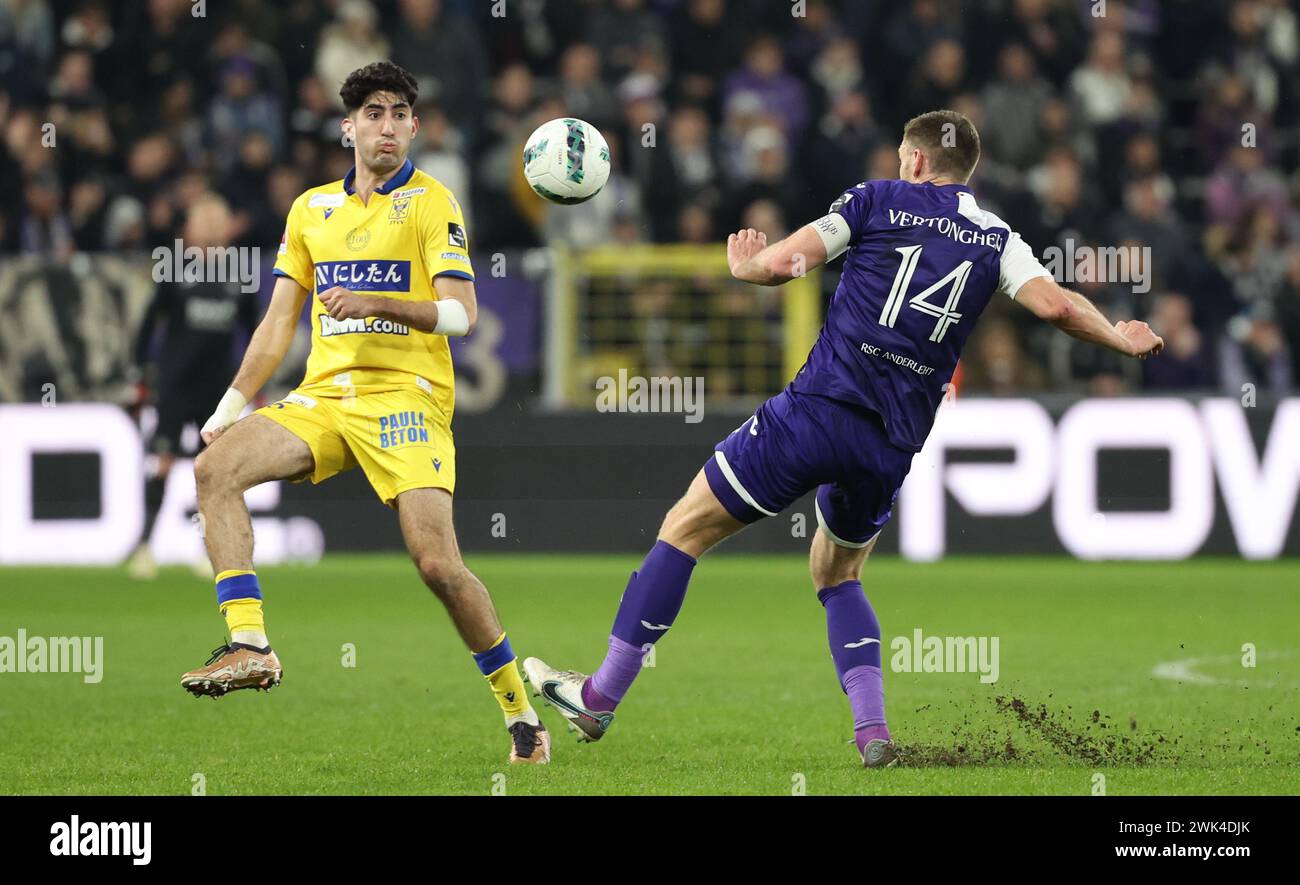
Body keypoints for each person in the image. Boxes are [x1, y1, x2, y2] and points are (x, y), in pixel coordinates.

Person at [523, 110, 1162, 768]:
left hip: (816, 413)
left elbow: (785, 263)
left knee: (685, 528)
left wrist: (748, 265)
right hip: (889, 445)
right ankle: (872, 732)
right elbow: (1056, 306)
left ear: (913, 161)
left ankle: (600, 696)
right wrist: (1118, 335)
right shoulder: (997, 236)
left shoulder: (874, 199)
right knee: (837, 572)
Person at [179, 62, 550, 765]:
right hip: (325, 398)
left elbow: (462, 315)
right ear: (348, 127)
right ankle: (251, 644)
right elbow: (277, 322)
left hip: (406, 399)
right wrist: (229, 406)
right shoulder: (311, 209)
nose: (388, 125)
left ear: (414, 126)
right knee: (213, 471)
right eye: (374, 113)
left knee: (438, 564)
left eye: (401, 113)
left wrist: (376, 302)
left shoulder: (433, 202)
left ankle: (520, 714)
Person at [126, 194, 259, 580]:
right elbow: (150, 323)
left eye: (218, 222)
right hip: (175, 386)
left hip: (218, 391)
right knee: (163, 463)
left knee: (214, 471)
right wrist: (139, 372)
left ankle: (212, 551)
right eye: (204, 222)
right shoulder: (174, 270)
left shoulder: (240, 275)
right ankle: (146, 547)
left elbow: (255, 333)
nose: (212, 230)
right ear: (191, 229)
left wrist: (253, 382)